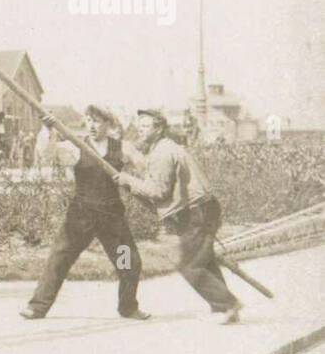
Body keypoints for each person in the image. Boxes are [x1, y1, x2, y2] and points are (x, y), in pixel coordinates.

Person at [21, 106, 148, 321]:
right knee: (59, 259)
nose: (91, 125)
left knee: (128, 261)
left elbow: (146, 169)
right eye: (88, 120)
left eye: (97, 121)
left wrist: (135, 182)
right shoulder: (76, 146)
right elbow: (47, 155)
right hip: (81, 216)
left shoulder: (122, 148)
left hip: (112, 217)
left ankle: (128, 307)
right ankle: (37, 307)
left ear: (109, 124)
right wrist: (47, 130)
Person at [115, 108, 242, 323]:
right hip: (201, 209)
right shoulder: (164, 148)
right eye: (139, 125)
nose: (140, 130)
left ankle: (227, 304)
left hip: (195, 212)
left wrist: (128, 180)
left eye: (145, 126)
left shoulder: (162, 153)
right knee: (205, 261)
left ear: (159, 129)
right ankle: (225, 309)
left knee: (189, 265)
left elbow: (158, 192)